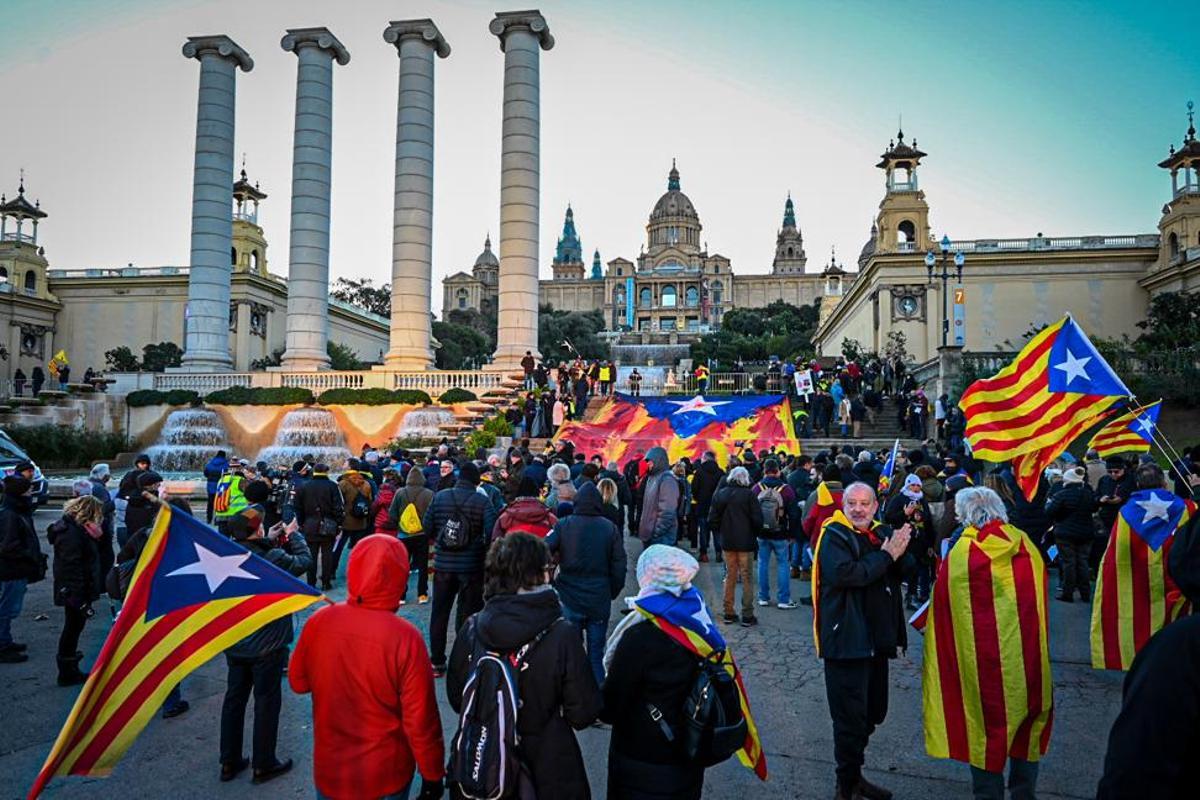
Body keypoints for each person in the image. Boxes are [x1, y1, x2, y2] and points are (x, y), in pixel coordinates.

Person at [289, 534, 445, 800]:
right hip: (386, 771)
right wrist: (432, 774)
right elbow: (421, 719)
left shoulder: (319, 622)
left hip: (332, 768)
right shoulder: (405, 637)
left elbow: (298, 682)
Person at [447, 533, 601, 799]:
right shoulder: (560, 633)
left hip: (484, 758)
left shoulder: (473, 627)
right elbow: (583, 712)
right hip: (547, 765)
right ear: (538, 575)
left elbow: (456, 696)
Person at [924, 487, 1052, 800]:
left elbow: (944, 599)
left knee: (983, 727)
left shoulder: (961, 551)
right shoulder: (1024, 544)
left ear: (965, 516)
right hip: (1025, 655)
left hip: (977, 658)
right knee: (1027, 724)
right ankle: (1024, 794)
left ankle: (988, 795)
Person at [601, 545, 757, 799]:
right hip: (687, 756)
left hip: (639, 765)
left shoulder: (639, 636)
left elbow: (610, 706)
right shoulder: (698, 623)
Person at [812, 482, 913, 800]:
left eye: (864, 503)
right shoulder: (834, 535)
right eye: (852, 503)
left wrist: (909, 542)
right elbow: (847, 575)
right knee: (849, 718)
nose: (858, 509)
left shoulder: (881, 532)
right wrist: (886, 556)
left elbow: (904, 570)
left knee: (873, 712)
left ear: (874, 506)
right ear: (843, 505)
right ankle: (846, 784)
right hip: (846, 641)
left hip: (877, 639)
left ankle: (854, 773)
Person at [219, 509, 312, 785]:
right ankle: (264, 762)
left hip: (235, 639)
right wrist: (294, 536)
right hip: (268, 643)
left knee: (233, 700)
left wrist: (269, 539)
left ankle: (229, 760)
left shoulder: (225, 556)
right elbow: (302, 562)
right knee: (266, 702)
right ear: (257, 531)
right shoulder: (271, 558)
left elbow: (253, 555)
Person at [546, 481, 626, 685]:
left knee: (570, 654)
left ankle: (572, 701)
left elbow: (543, 548)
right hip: (598, 598)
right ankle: (598, 701)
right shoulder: (609, 528)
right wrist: (612, 591)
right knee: (596, 655)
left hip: (569, 595)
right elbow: (619, 565)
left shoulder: (564, 525)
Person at [423, 461, 496, 677]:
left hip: (443, 565)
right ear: (476, 481)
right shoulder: (482, 501)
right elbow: (492, 532)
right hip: (472, 566)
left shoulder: (440, 497)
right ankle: (463, 661)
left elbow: (427, 527)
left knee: (439, 614)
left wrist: (443, 540)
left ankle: (436, 661)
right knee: (467, 616)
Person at [47, 494, 105, 685]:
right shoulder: (72, 534)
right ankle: (67, 670)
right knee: (72, 627)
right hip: (74, 590)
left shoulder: (74, 529)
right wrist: (80, 596)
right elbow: (72, 566)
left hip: (74, 588)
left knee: (73, 627)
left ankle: (69, 665)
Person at [708, 466, 763, 626]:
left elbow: (712, 519)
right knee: (747, 577)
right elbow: (757, 520)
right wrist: (754, 532)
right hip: (746, 542)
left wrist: (722, 531)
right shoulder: (749, 495)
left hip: (728, 541)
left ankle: (729, 612)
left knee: (730, 576)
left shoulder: (721, 494)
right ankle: (747, 614)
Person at [0, 475, 43, 664]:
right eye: (28, 491)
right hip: (12, 569)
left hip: (15, 568)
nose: (31, 493)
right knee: (7, 608)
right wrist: (28, 555)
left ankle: (5, 640)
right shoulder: (10, 514)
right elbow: (9, 546)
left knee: (8, 607)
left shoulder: (15, 512)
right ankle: (2, 645)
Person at [1044, 466, 1097, 602]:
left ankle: (1068, 592)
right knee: (1083, 562)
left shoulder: (1061, 495)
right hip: (1086, 532)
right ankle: (1085, 593)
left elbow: (1049, 512)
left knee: (1069, 563)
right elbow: (1094, 507)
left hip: (1065, 533)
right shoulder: (1088, 494)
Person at [753, 458, 798, 609]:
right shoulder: (786, 489)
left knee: (762, 563)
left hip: (762, 532)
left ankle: (763, 597)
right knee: (783, 564)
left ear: (764, 470)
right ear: (778, 471)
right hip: (781, 532)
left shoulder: (757, 488)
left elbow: (752, 512)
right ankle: (783, 600)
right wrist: (792, 533)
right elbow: (794, 514)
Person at [294, 464, 344, 590]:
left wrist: (301, 523)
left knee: (312, 554)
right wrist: (339, 524)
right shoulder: (332, 486)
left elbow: (298, 508)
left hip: (309, 524)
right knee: (327, 555)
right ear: (327, 472)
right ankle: (326, 582)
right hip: (329, 524)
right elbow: (338, 507)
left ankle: (311, 582)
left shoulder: (304, 486)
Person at [638, 446, 680, 548]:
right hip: (651, 535)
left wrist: (656, 532)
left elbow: (667, 511)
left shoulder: (667, 480)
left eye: (650, 461)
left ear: (659, 461)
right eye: (647, 461)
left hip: (661, 537)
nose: (648, 464)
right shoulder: (651, 478)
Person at [203, 449, 230, 524]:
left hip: (210, 486)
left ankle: (209, 518)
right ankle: (217, 519)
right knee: (220, 502)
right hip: (221, 486)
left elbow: (205, 473)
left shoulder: (210, 463)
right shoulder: (226, 464)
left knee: (210, 502)